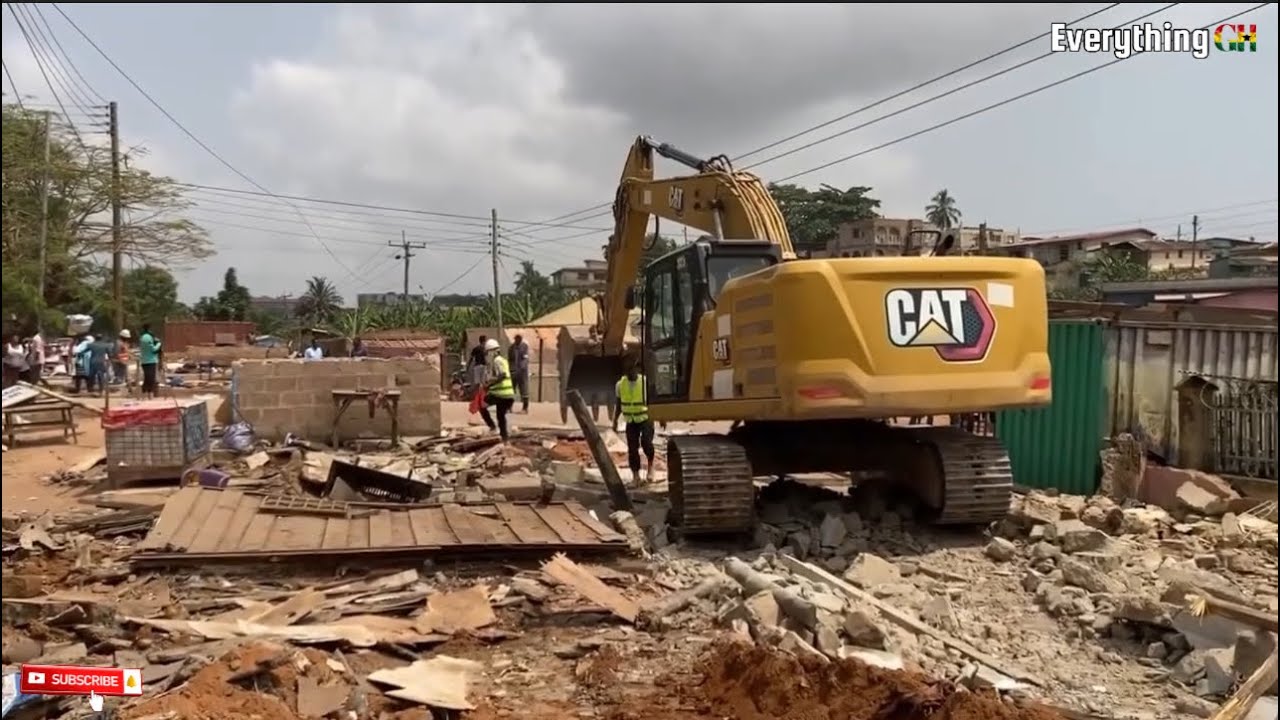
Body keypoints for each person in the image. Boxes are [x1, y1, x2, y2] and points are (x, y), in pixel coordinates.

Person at [612, 362, 655, 485]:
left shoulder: (644, 382)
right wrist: (615, 420)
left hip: (645, 418)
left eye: (633, 369)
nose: (631, 372)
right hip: (631, 420)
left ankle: (650, 466)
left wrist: (661, 417)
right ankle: (636, 476)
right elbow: (619, 403)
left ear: (637, 369)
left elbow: (652, 400)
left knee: (646, 443)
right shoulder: (620, 385)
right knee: (632, 448)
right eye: (628, 370)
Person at [478, 338, 515, 441]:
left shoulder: (497, 361)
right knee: (501, 416)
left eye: (487, 352)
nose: (487, 355)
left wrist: (488, 384)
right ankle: (504, 438)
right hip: (508, 394)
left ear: (492, 351)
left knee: (481, 405)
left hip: (500, 394)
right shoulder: (503, 360)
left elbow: (502, 375)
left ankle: (493, 427)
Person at [508, 333, 530, 413]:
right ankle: (509, 407)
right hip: (513, 372)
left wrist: (521, 367)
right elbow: (510, 359)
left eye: (519, 338)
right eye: (516, 338)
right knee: (511, 390)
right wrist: (511, 369)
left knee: (524, 390)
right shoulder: (511, 348)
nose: (518, 340)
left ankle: (525, 408)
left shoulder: (524, 346)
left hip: (522, 372)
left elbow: (525, 359)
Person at [138, 324, 162, 398]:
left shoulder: (142, 337)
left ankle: (145, 393)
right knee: (151, 378)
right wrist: (159, 344)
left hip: (144, 360)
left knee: (147, 377)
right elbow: (153, 349)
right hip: (151, 360)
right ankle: (149, 394)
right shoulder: (148, 337)